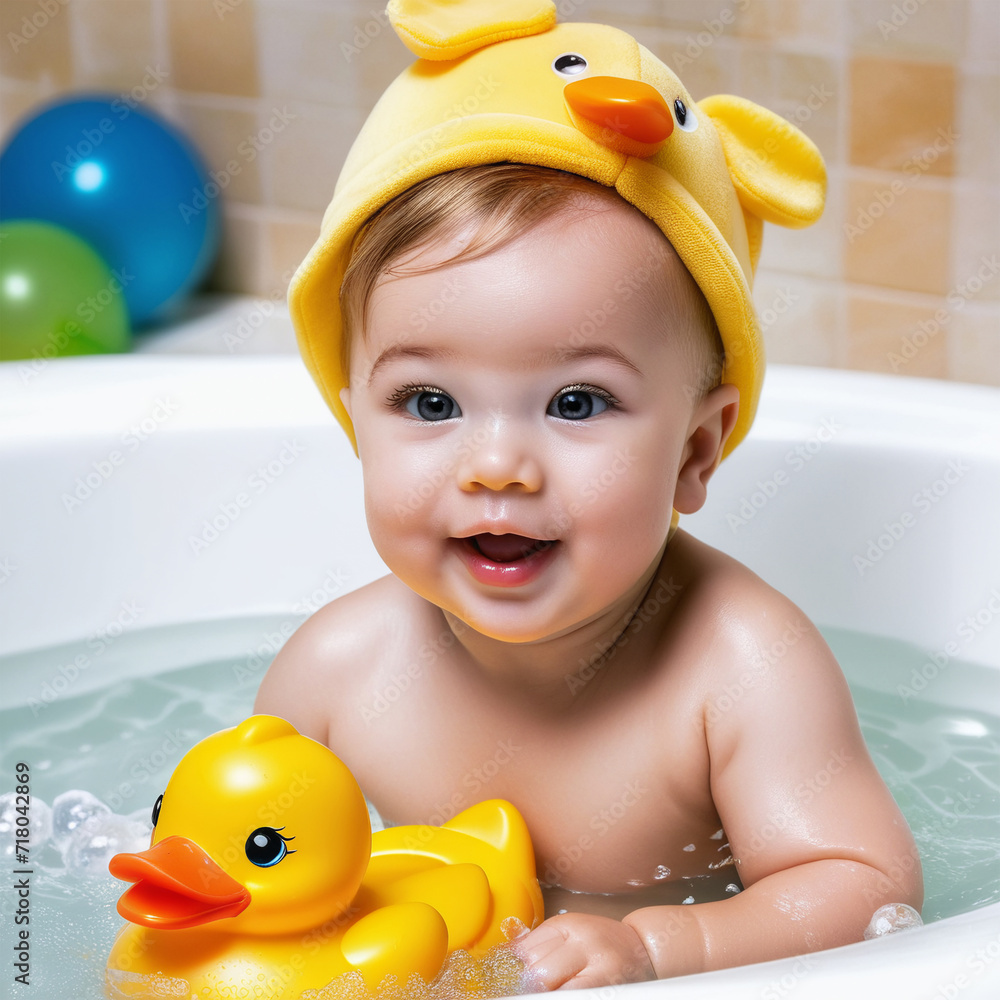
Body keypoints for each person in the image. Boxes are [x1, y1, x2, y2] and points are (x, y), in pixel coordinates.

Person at [256, 0, 922, 987]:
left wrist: (660, 944)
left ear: (697, 450)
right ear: (356, 419)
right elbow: (250, 857)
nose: (497, 466)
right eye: (428, 400)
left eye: (576, 401)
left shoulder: (739, 668)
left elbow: (867, 888)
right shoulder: (334, 674)